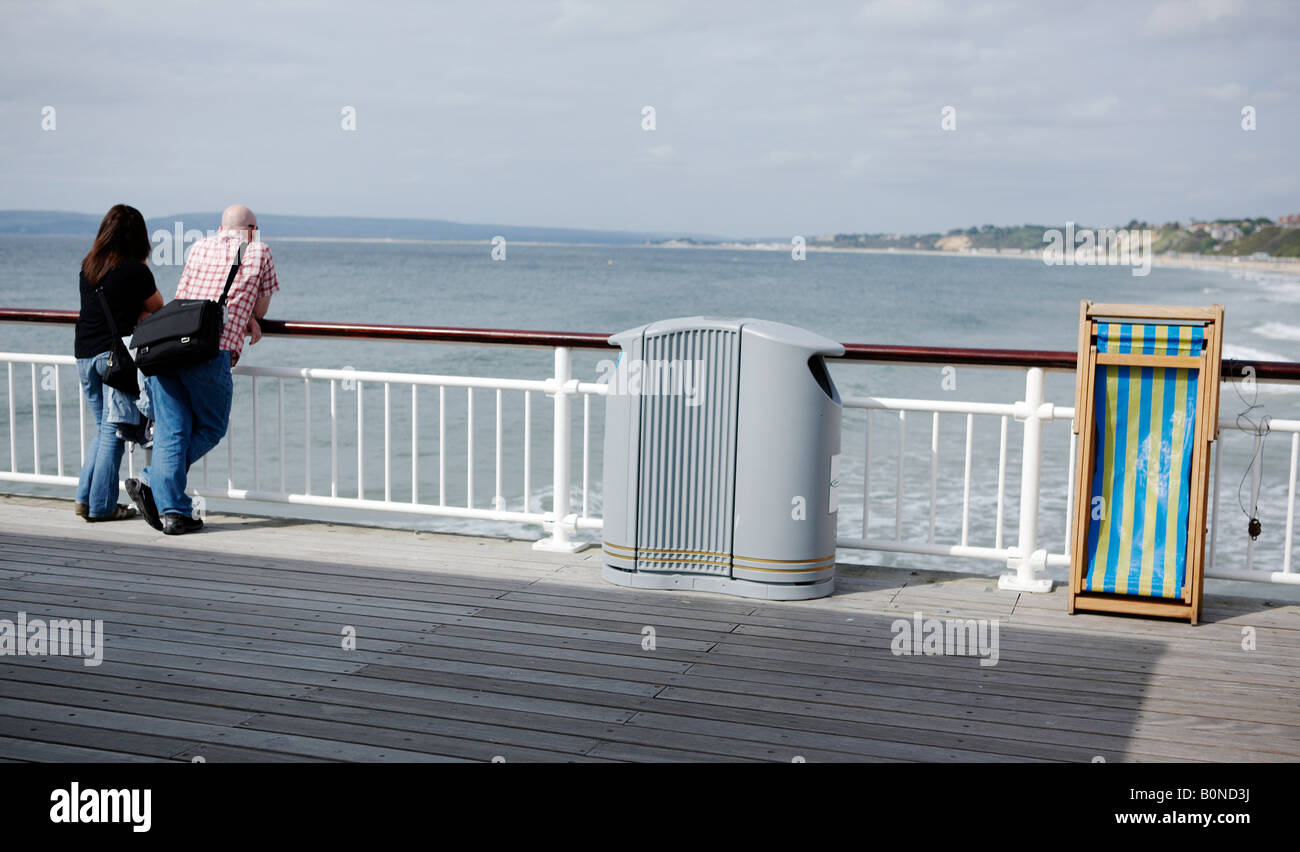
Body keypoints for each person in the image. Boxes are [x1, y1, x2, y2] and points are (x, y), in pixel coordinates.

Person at [127, 205, 278, 535]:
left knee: (172, 430)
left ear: (221, 227)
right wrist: (249, 316)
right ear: (252, 228)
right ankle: (153, 482)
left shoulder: (200, 246)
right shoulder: (259, 249)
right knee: (211, 427)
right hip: (210, 350)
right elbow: (262, 306)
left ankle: (175, 512)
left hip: (170, 349)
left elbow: (184, 298)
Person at [74, 205, 163, 522]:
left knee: (102, 430)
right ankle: (101, 507)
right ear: (139, 237)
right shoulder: (136, 271)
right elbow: (158, 306)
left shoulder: (89, 265)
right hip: (115, 359)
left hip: (84, 355)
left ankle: (85, 499)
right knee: (113, 434)